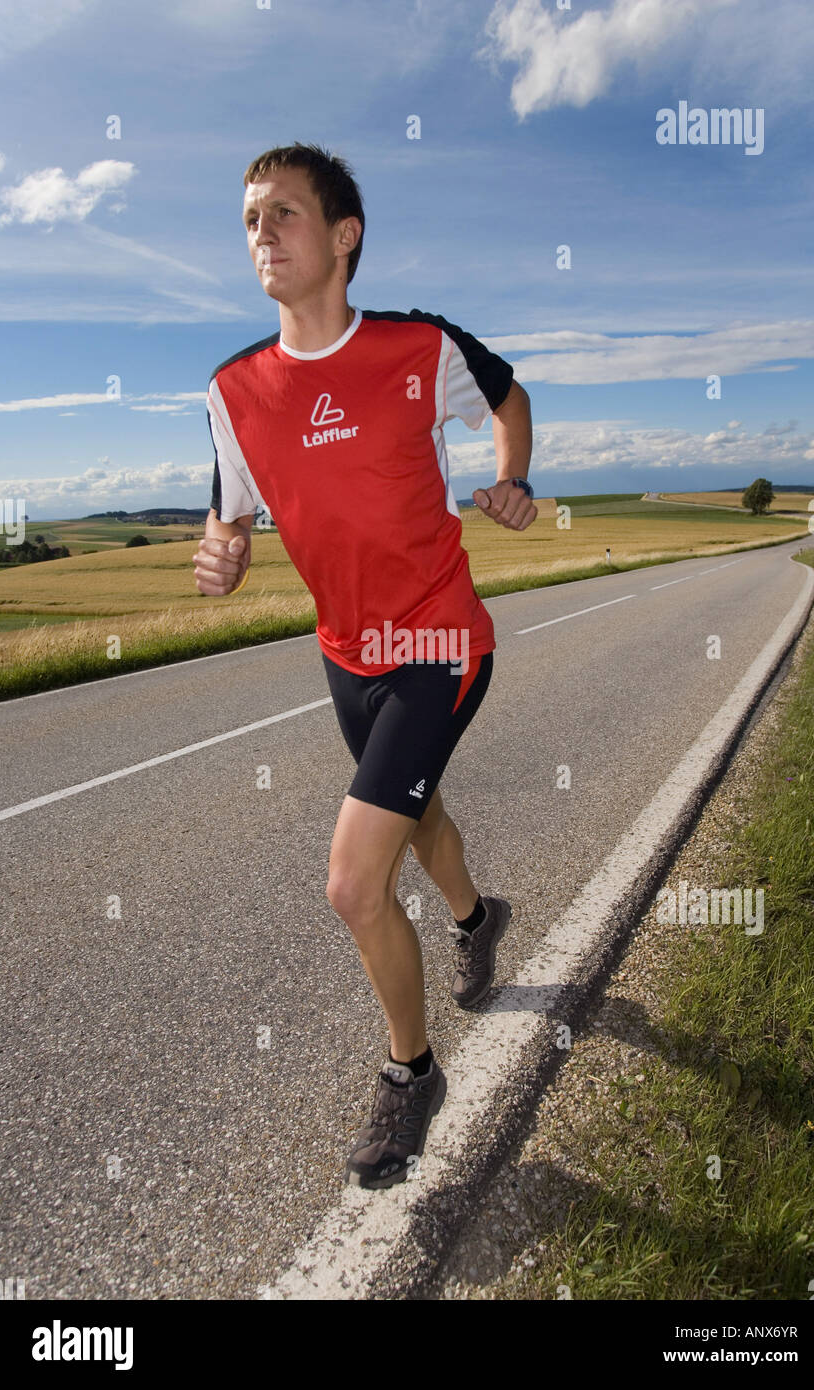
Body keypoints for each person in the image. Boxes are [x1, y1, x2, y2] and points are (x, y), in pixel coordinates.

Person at [192, 142, 535, 1190]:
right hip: (348, 658)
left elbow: (507, 396)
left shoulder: (416, 345)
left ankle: (409, 1069)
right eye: (250, 215)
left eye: (283, 214)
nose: (261, 232)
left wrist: (510, 475)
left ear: (342, 237)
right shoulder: (232, 387)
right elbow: (230, 517)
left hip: (438, 641)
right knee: (416, 826)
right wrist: (222, 553)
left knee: (351, 880)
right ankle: (481, 920)